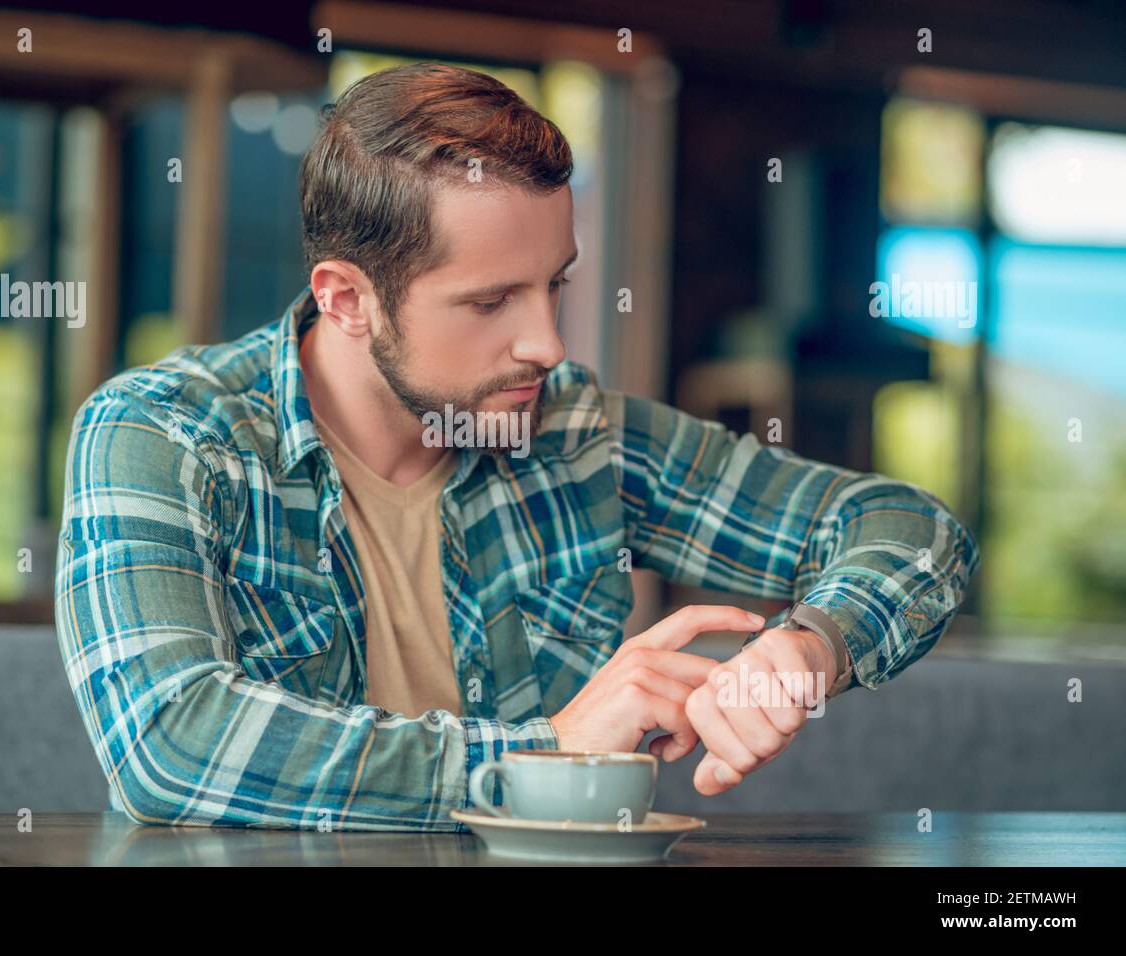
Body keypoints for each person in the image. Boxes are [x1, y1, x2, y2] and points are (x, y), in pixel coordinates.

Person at [54, 62, 978, 829]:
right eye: (491, 302)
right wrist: (546, 751)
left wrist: (811, 648)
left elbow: (908, 528)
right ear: (345, 298)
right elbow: (167, 745)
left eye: (556, 286)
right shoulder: (162, 435)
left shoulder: (572, 433)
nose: (548, 344)